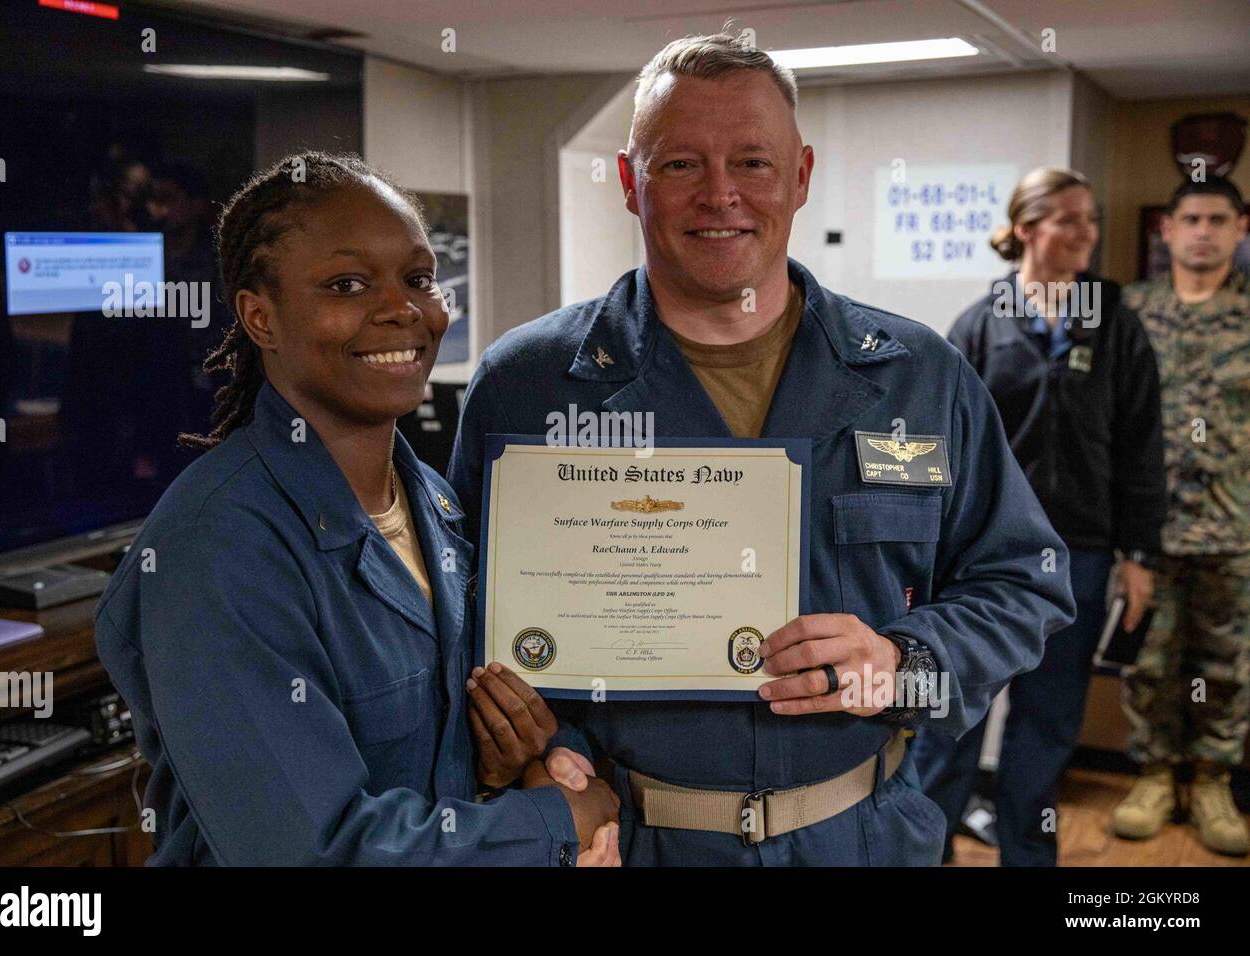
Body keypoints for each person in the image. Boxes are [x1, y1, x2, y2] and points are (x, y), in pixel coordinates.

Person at [448, 33, 1076, 866]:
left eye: (753, 163)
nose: (721, 196)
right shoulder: (527, 383)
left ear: (801, 176)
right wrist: (536, 755)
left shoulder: (918, 376)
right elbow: (462, 618)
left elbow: (1023, 585)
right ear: (631, 184)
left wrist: (901, 662)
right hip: (625, 842)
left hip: (865, 835)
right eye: (680, 165)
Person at [94, 152, 619, 865]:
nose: (402, 309)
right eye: (347, 284)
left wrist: (528, 765)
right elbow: (314, 853)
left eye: (419, 279)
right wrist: (553, 820)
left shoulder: (435, 504)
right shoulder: (217, 549)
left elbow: (442, 754)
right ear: (260, 316)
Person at [910, 167, 1166, 866]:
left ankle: (1029, 856)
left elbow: (1143, 442)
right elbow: (940, 448)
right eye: (1070, 219)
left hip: (1078, 557)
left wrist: (1139, 555)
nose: (1088, 233)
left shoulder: (1112, 323)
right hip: (977, 561)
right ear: (1027, 229)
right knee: (950, 721)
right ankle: (929, 851)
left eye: (1091, 218)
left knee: (1046, 728)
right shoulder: (978, 325)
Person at [1113, 176, 1250, 856]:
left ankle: (1214, 780)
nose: (1204, 230)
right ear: (1166, 230)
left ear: (1240, 228)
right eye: (1190, 218)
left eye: (1217, 219)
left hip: (1236, 528)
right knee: (1149, 660)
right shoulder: (1129, 312)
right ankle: (1156, 775)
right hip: (1150, 529)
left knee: (1226, 662)